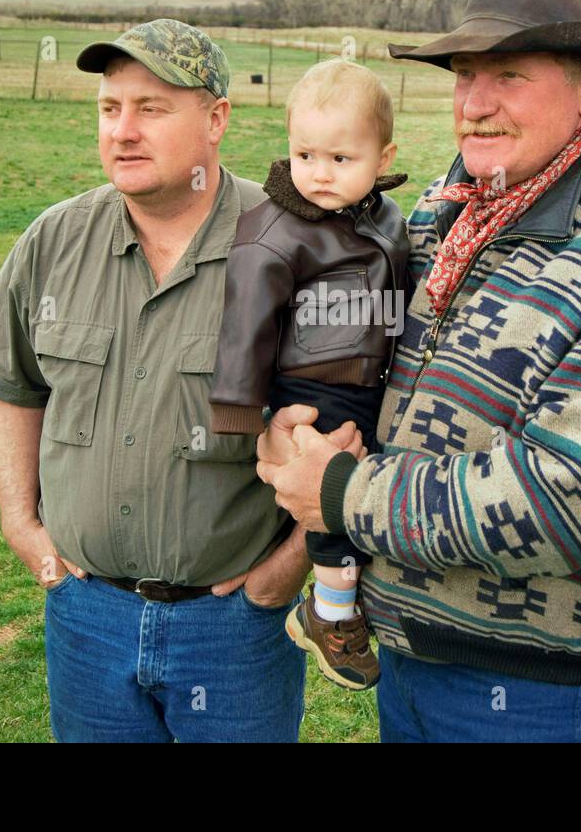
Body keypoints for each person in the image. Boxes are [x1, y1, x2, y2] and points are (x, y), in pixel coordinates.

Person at [256, 0, 581, 742]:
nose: (474, 102)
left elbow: (566, 499)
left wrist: (341, 492)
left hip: (526, 678)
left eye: (508, 74)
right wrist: (289, 420)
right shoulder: (445, 213)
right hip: (410, 645)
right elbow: (362, 355)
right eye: (465, 73)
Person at [0, 19, 361, 742]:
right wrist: (21, 525)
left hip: (233, 627)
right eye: (110, 108)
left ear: (216, 120)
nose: (123, 131)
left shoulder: (297, 248)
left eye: (151, 108)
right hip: (86, 614)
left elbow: (349, 425)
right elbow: (8, 381)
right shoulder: (55, 240)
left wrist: (284, 571)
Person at [208, 58, 410, 690]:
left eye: (341, 159)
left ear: (383, 158)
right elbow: (245, 325)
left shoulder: (386, 219)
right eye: (305, 155)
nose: (319, 173)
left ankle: (350, 595)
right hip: (311, 381)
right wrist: (241, 412)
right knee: (333, 492)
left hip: (375, 382)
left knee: (371, 479)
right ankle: (331, 611)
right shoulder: (274, 231)